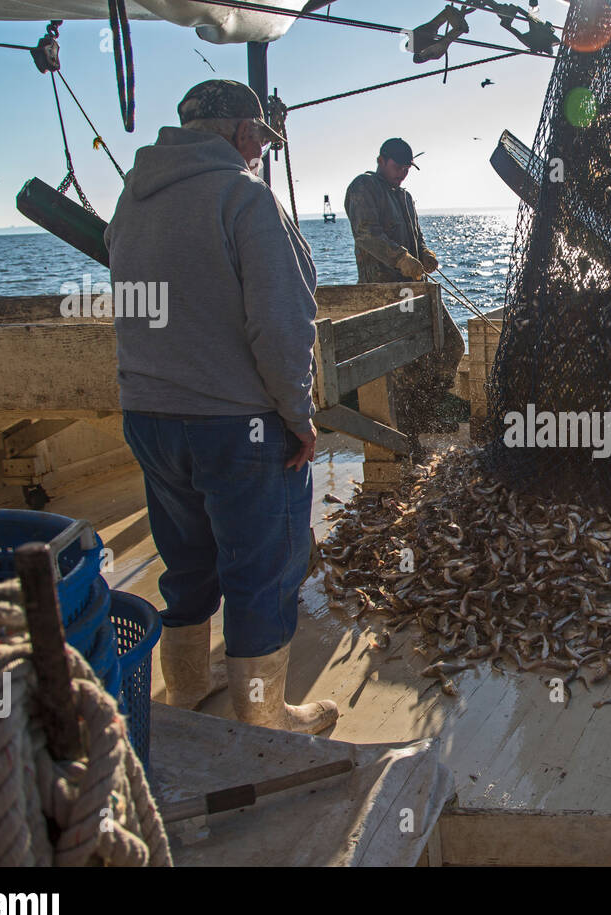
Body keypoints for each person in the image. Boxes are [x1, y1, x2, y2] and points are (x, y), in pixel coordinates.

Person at [105, 79, 338, 736]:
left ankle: (185, 684)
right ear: (243, 133)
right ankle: (264, 718)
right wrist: (298, 414)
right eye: (260, 139)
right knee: (262, 568)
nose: (261, 151)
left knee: (187, 557)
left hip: (148, 418)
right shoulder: (245, 196)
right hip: (238, 427)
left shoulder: (132, 198)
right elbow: (282, 326)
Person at [344, 138, 465, 445]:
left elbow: (417, 238)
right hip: (385, 295)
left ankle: (426, 412)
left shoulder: (406, 198)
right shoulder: (363, 187)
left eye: (407, 169)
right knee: (401, 366)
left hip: (416, 290)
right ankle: (407, 436)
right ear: (381, 160)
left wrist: (425, 255)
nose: (402, 174)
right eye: (397, 167)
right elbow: (366, 234)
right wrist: (400, 259)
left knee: (452, 344)